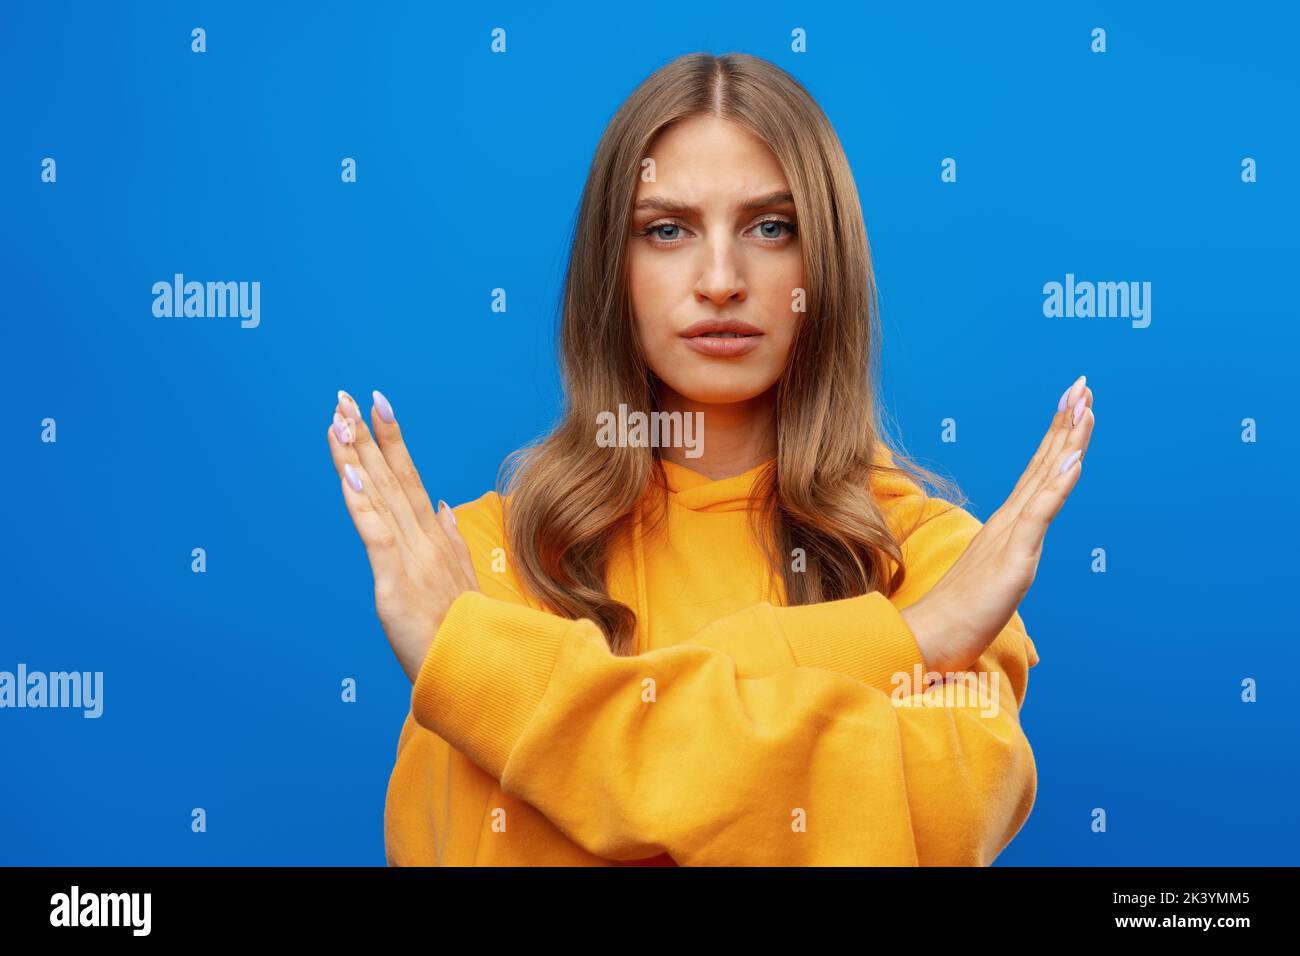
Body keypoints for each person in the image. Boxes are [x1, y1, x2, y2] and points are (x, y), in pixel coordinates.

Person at [324, 52, 1095, 866]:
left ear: (824, 261)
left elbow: (932, 825)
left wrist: (502, 686)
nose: (721, 280)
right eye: (667, 230)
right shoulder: (484, 560)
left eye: (771, 227)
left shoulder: (949, 564)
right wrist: (903, 641)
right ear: (611, 272)